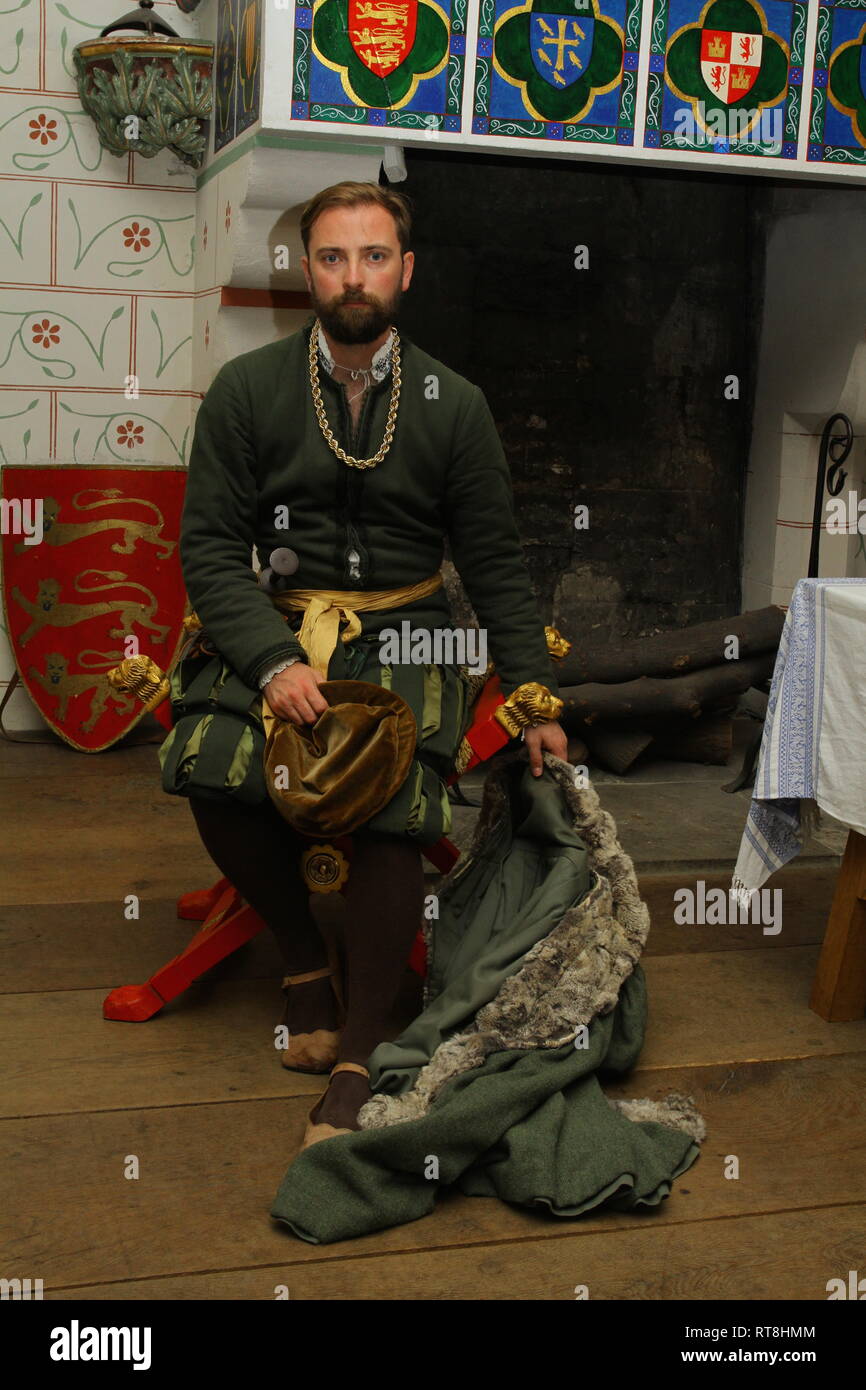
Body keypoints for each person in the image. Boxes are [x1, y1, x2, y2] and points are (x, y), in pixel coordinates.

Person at [178, 180, 567, 1140]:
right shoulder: (247, 390)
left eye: (375, 256)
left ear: (407, 269)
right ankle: (306, 962)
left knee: (394, 810)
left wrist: (533, 694)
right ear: (305, 268)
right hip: (277, 620)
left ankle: (358, 1055)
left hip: (409, 626)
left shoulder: (457, 405)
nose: (355, 278)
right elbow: (208, 551)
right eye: (333, 257)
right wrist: (271, 662)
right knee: (212, 768)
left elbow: (495, 566)